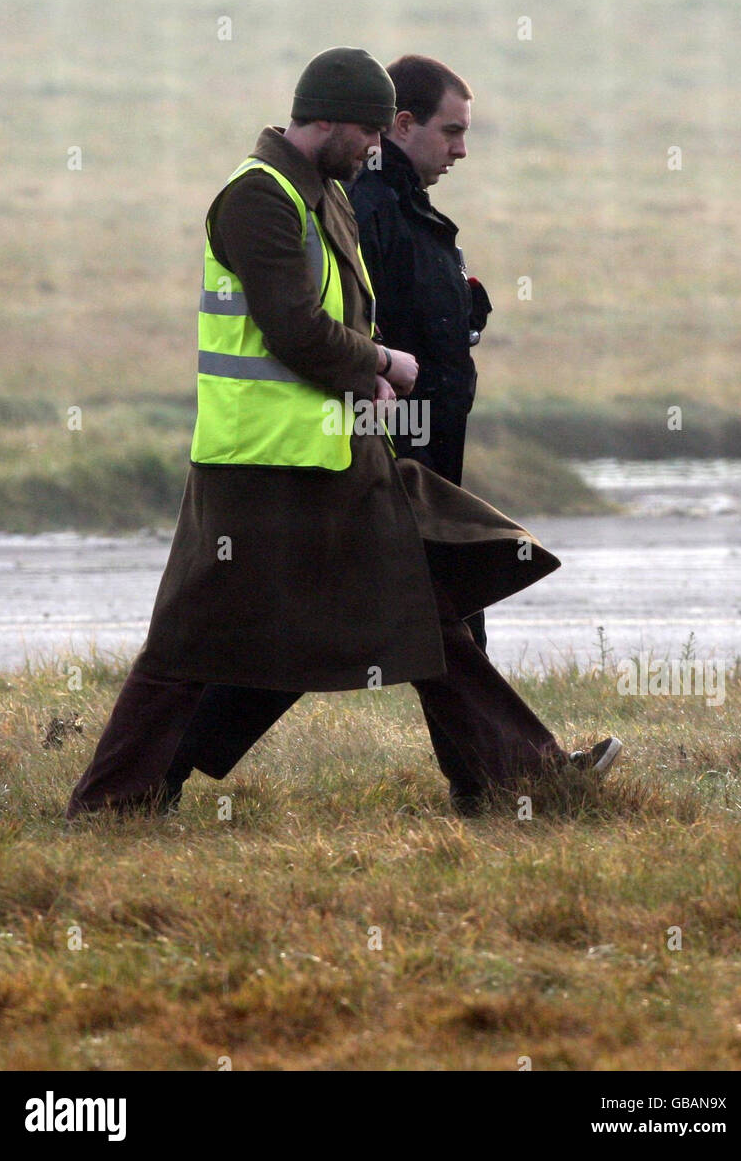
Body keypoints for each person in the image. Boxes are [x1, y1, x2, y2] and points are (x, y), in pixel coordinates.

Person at [66, 47, 621, 822]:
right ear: (321, 118)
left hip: (338, 457)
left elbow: (338, 316)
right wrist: (384, 363)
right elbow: (293, 327)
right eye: (364, 129)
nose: (373, 145)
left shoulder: (323, 190)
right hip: (257, 466)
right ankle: (109, 807)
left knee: (427, 609)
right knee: (188, 645)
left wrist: (376, 380)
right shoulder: (257, 198)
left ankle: (524, 780)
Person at [350, 56, 491, 650]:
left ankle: (508, 748)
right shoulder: (368, 208)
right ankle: (514, 749)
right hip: (394, 449)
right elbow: (350, 322)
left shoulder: (412, 212)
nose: (461, 150)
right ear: (402, 125)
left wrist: (466, 311)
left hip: (428, 447)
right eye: (451, 131)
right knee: (443, 608)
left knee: (448, 609)